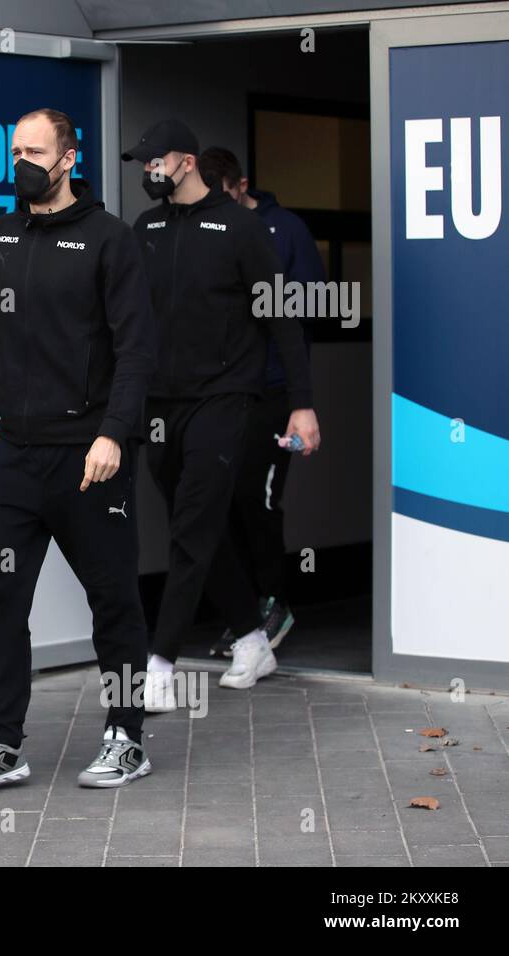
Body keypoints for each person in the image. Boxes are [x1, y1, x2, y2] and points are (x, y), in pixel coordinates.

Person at [0, 108, 157, 793]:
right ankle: (2, 743)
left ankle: (126, 737)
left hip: (90, 458)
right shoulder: (3, 235)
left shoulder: (110, 240)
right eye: (15, 150)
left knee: (114, 599)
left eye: (35, 151)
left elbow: (136, 352)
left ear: (69, 158)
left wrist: (112, 434)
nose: (21, 162)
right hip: (14, 454)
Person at [122, 119, 321, 711]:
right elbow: (129, 320)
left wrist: (302, 406)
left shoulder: (240, 227)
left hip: (225, 401)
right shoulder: (146, 227)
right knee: (197, 526)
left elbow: (282, 318)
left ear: (184, 162)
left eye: (154, 162)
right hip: (159, 406)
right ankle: (255, 638)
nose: (148, 172)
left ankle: (159, 663)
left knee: (191, 522)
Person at [197, 146, 326, 658]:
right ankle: (244, 614)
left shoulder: (284, 230)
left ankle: (276, 601)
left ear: (241, 185)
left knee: (260, 497)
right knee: (219, 500)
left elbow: (312, 303)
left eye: (224, 195)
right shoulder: (204, 229)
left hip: (273, 391)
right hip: (220, 393)